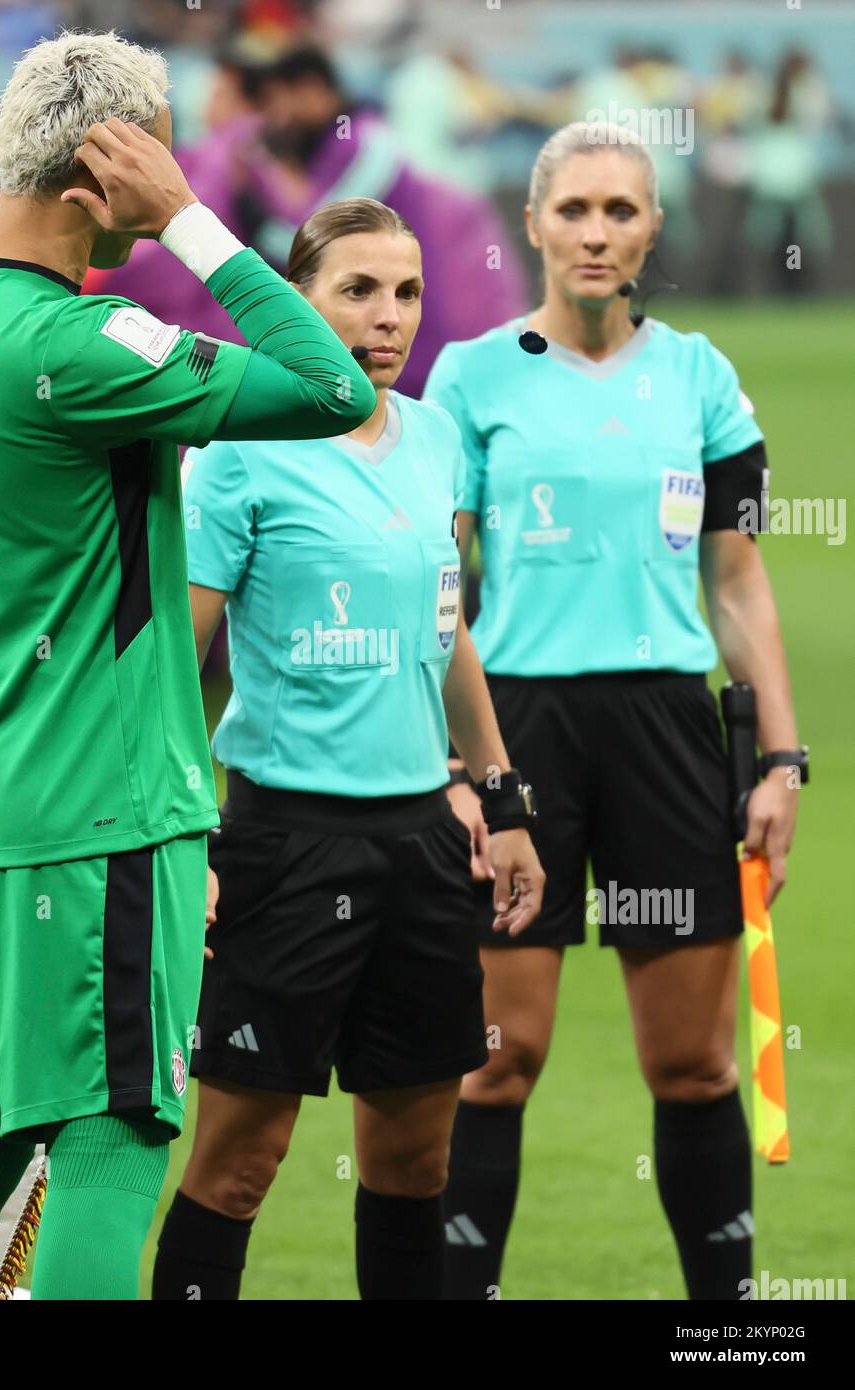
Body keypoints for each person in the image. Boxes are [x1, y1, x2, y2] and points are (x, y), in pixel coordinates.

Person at [0, 29, 376, 1301]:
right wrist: (194, 223)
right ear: (107, 165)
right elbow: (326, 386)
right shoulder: (78, 347)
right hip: (98, 818)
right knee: (114, 1136)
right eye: (154, 146)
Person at [425, 122, 804, 1301]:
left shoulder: (698, 377)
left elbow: (735, 581)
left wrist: (781, 757)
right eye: (574, 209)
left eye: (620, 211)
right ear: (533, 223)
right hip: (515, 732)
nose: (596, 232)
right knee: (495, 1061)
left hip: (663, 736)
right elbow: (437, 593)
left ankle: (726, 1322)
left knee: (690, 1064)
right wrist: (456, 765)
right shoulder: (469, 377)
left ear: (651, 228)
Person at [151, 196, 545, 1302]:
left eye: (406, 291)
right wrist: (185, 838)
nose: (387, 317)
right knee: (239, 1163)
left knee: (415, 1161)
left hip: (423, 843)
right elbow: (171, 674)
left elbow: (446, 623)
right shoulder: (238, 453)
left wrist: (500, 794)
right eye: (356, 290)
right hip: (285, 846)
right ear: (299, 302)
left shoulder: (433, 438)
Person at [85, 44, 527, 394]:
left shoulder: (371, 149)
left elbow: (309, 244)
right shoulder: (326, 153)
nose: (275, 117)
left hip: (417, 353)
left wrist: (250, 213)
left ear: (317, 91)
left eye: (283, 102)